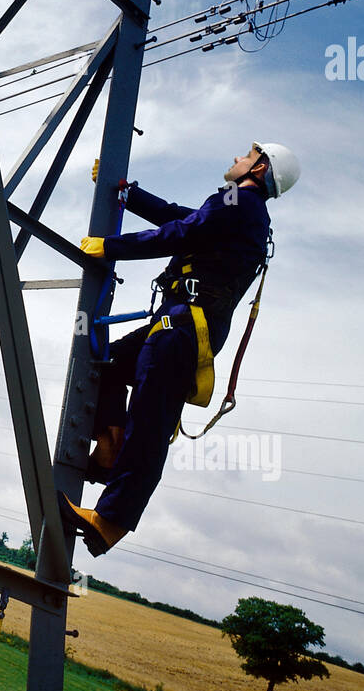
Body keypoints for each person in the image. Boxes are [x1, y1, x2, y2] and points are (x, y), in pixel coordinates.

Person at [62, 141, 300, 557]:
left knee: (151, 420)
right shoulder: (237, 204)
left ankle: (112, 520)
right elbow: (183, 217)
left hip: (186, 328)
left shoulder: (243, 203)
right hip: (179, 323)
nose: (235, 157)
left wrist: (113, 246)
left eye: (247, 154)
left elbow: (181, 232)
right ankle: (109, 452)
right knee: (112, 363)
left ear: (261, 169)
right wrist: (127, 193)